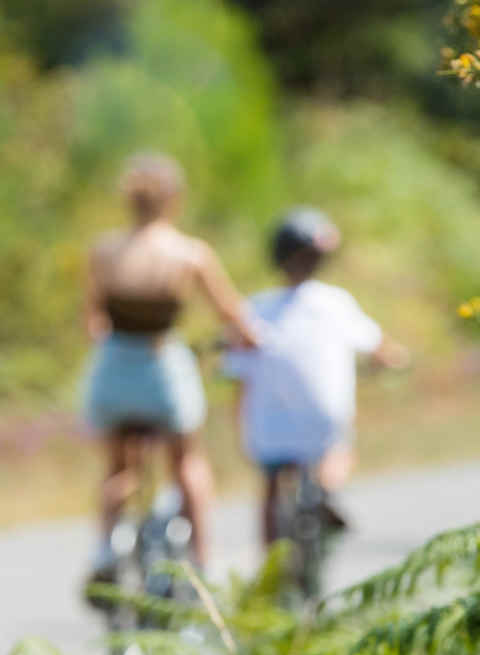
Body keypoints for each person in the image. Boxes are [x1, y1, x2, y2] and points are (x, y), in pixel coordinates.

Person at [81, 153, 262, 594]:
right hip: (161, 368)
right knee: (187, 463)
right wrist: (252, 340)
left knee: (118, 467)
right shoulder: (189, 252)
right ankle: (203, 559)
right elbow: (232, 314)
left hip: (114, 370)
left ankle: (106, 548)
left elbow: (93, 321)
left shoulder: (103, 251)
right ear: (174, 200)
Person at [221, 206, 409, 547]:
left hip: (268, 424)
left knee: (271, 485)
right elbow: (383, 349)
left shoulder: (253, 309)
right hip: (322, 419)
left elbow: (238, 374)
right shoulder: (334, 303)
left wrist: (239, 420)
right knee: (338, 447)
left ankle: (269, 567)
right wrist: (394, 360)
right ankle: (327, 489)